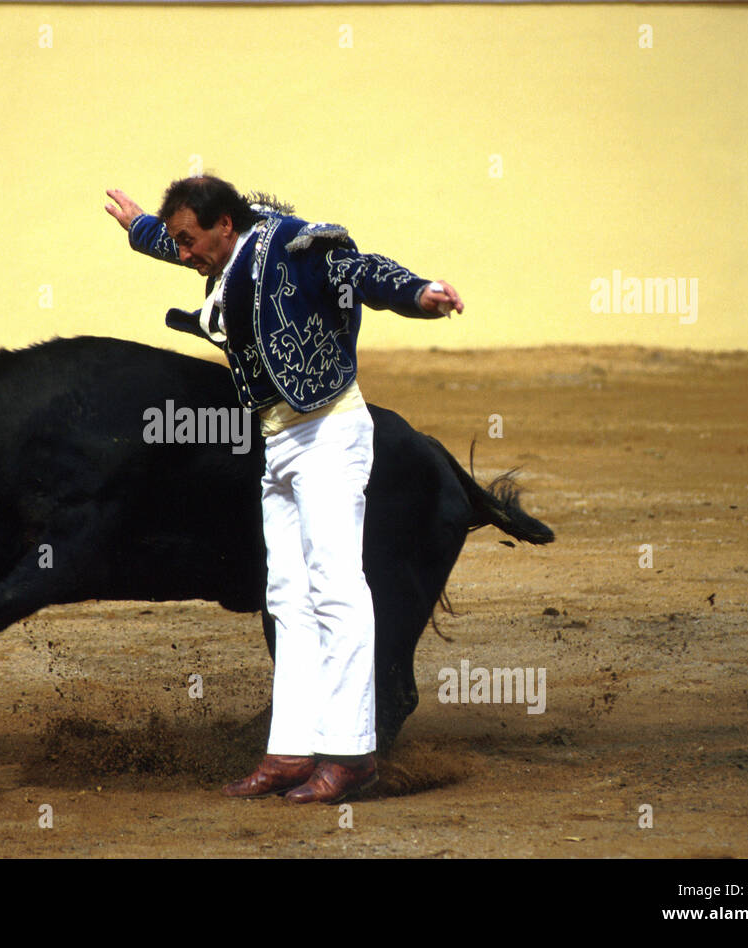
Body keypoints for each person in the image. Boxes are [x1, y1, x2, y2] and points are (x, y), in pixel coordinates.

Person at [105, 176, 462, 803]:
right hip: (279, 438)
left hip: (328, 430)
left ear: (224, 224)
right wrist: (141, 229)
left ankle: (352, 755)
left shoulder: (297, 245)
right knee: (288, 596)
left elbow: (362, 272)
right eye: (177, 242)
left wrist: (418, 293)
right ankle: (292, 750)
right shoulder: (226, 247)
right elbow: (174, 246)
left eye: (189, 240)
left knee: (335, 588)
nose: (183, 253)